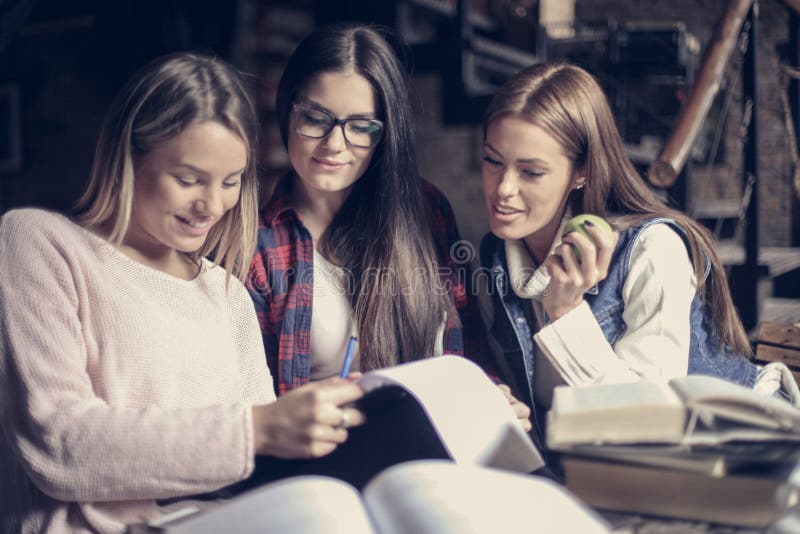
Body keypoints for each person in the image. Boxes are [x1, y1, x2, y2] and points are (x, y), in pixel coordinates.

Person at [0, 52, 366, 534]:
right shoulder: (40, 244)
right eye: (188, 180)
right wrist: (259, 429)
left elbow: (258, 467)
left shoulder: (228, 294)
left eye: (231, 182)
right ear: (129, 158)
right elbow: (61, 446)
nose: (211, 206)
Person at [478, 62, 799, 425]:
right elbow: (540, 402)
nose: (503, 189)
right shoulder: (495, 260)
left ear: (581, 171)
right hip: (604, 461)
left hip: (743, 436)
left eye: (531, 172)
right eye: (492, 161)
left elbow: (651, 420)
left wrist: (566, 313)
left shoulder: (653, 249)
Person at [246, 23, 531, 430]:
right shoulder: (256, 245)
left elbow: (466, 349)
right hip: (324, 463)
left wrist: (492, 394)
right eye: (315, 117)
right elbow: (256, 408)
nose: (335, 144)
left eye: (361, 126)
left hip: (433, 445)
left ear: (385, 133)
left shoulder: (425, 209)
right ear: (286, 107)